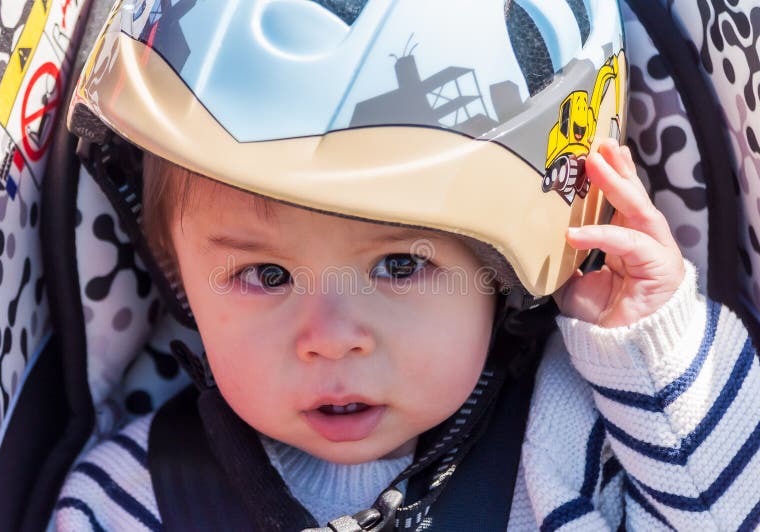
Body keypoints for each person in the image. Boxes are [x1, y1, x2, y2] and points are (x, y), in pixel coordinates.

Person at [54, 1, 760, 530]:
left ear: (504, 274)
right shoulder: (132, 498)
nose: (331, 336)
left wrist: (656, 358)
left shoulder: (576, 441)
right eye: (267, 275)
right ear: (175, 275)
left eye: (397, 265)